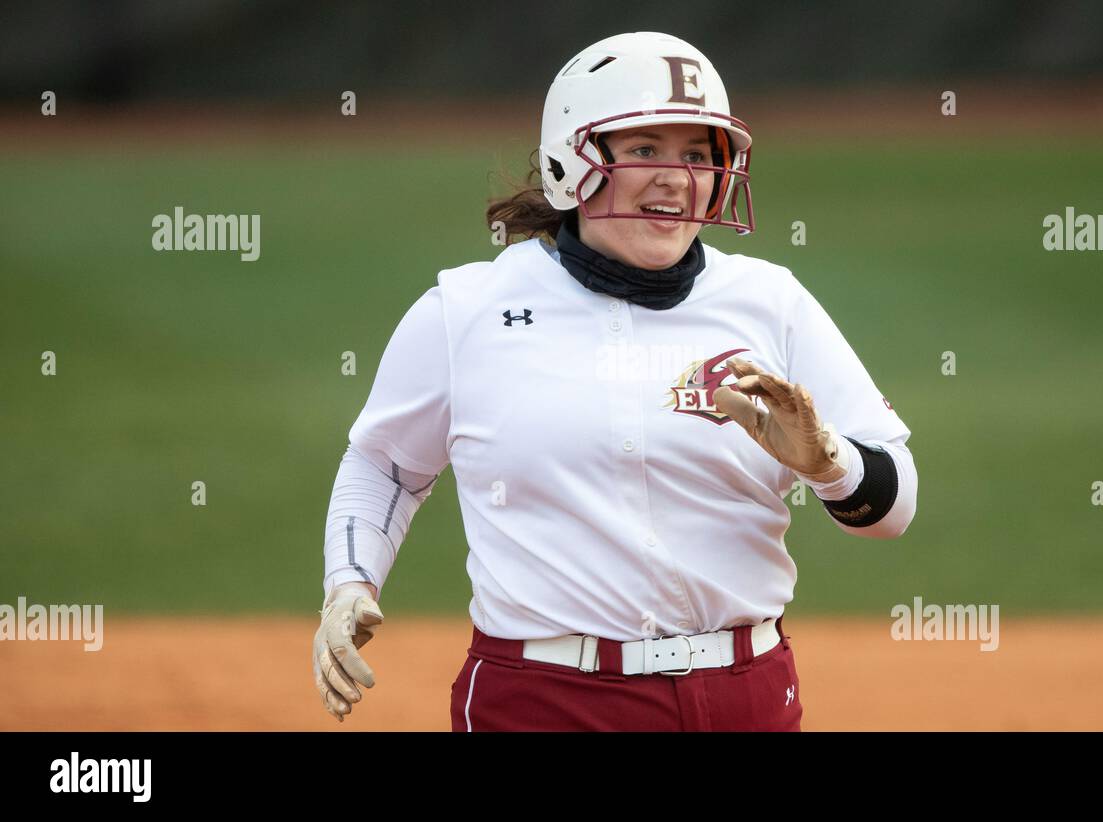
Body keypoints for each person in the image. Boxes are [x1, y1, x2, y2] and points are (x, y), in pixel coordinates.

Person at [312, 31, 917, 732]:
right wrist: (348, 584)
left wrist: (830, 463)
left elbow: (894, 503)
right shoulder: (466, 310)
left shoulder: (771, 302)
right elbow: (386, 463)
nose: (676, 176)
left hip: (745, 698)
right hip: (544, 703)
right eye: (645, 149)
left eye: (697, 154)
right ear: (572, 161)